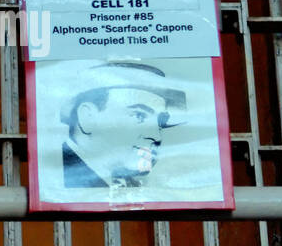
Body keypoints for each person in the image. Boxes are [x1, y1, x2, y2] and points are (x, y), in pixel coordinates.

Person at [60, 61, 187, 190]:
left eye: (160, 122)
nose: (156, 136)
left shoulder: (127, 182)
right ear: (87, 118)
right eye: (139, 116)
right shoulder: (57, 179)